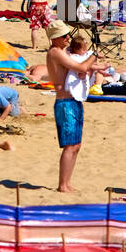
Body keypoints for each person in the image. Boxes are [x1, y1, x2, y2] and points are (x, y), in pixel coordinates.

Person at [45, 23, 112, 194]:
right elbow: (82, 67)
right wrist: (95, 54)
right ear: (54, 38)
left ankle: (67, 183)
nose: (68, 38)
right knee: (70, 145)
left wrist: (97, 67)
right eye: (64, 36)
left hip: (73, 101)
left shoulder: (63, 52)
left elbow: (82, 65)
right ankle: (62, 184)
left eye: (68, 35)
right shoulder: (55, 52)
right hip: (65, 103)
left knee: (76, 145)